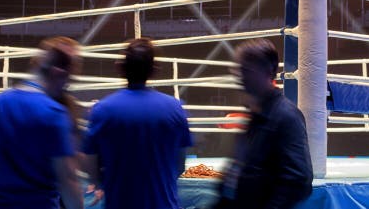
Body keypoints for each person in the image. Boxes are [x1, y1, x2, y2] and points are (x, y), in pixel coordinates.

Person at [82, 38, 192, 209]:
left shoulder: (102, 110)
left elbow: (90, 166)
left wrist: (104, 183)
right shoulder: (175, 109)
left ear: (120, 68)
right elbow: (179, 165)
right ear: (155, 70)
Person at [0, 36, 83, 209]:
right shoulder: (53, 114)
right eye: (69, 79)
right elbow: (68, 181)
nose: (67, 86)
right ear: (59, 72)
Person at [215, 39, 313, 209]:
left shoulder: (286, 117)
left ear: (267, 72)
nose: (240, 77)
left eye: (246, 70)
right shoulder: (256, 116)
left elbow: (298, 180)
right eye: (239, 70)